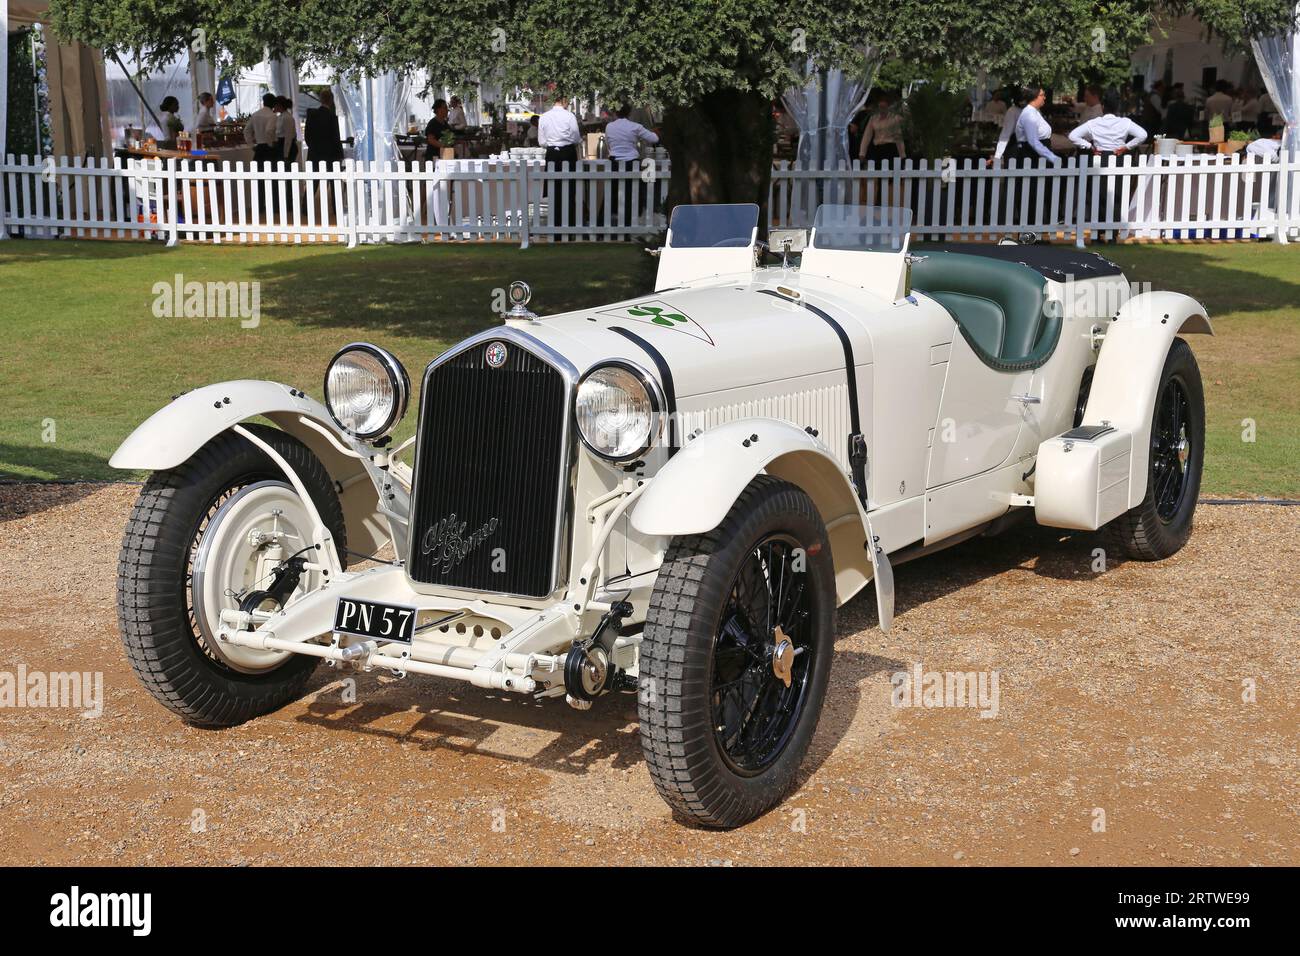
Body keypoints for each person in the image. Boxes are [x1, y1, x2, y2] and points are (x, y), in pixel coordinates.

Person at [605, 104, 660, 223]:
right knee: (632, 194)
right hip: (631, 162)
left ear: (615, 112)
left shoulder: (609, 127)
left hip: (615, 162)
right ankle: (630, 221)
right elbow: (654, 139)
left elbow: (608, 144)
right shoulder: (635, 127)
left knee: (612, 193)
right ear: (629, 113)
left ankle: (608, 220)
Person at [539, 94, 581, 224]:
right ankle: (569, 225)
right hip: (568, 153)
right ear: (564, 100)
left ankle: (555, 225)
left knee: (553, 191)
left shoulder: (544, 117)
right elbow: (575, 138)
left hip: (552, 154)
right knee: (569, 191)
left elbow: (542, 141)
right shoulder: (569, 116)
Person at [304, 89, 345, 219]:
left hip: (315, 154)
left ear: (320, 100)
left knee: (312, 183)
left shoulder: (311, 115)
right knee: (334, 183)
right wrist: (340, 155)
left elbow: (307, 136)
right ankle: (337, 209)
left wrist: (314, 148)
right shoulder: (332, 117)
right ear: (331, 100)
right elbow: (335, 138)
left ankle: (305, 208)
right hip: (331, 155)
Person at [1069, 100, 1147, 157]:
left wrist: (1090, 146)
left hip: (1099, 157)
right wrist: (1127, 147)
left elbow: (1072, 136)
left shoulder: (1093, 123)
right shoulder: (1125, 122)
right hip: (1118, 156)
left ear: (1102, 108)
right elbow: (1143, 135)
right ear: (1117, 108)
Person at [1014, 86, 1059, 166]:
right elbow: (1033, 141)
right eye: (1042, 95)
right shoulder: (1029, 114)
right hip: (1031, 156)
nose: (1044, 98)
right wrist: (1053, 158)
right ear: (1034, 97)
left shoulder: (1035, 112)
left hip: (1037, 155)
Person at [857, 92, 906, 164]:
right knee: (877, 172)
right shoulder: (873, 119)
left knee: (891, 172)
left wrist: (902, 155)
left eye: (884, 105)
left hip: (890, 149)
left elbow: (898, 136)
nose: (882, 107)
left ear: (888, 105)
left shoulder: (894, 118)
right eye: (880, 105)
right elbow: (867, 136)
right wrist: (862, 153)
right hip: (877, 149)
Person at [275, 96, 299, 164]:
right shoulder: (280, 116)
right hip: (281, 145)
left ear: (279, 105)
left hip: (287, 147)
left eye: (275, 105)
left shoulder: (287, 118)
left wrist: (286, 155)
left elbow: (288, 137)